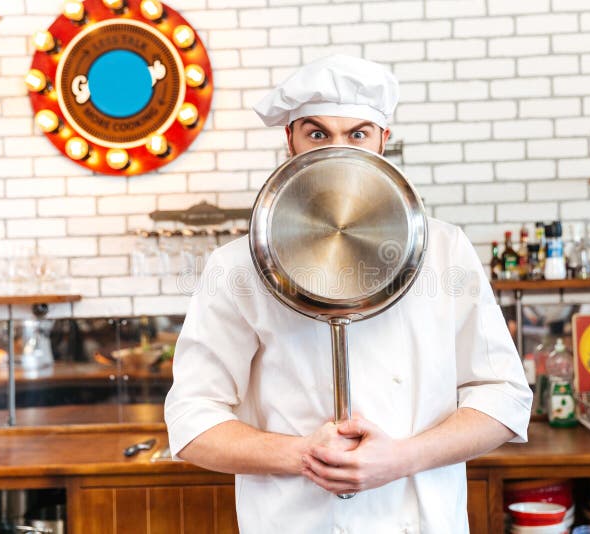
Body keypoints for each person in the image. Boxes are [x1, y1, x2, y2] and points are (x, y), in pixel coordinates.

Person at [165, 55, 532, 534]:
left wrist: (400, 459)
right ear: (289, 141)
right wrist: (301, 455)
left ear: (384, 141)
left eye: (358, 134)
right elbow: (192, 421)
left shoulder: (445, 250)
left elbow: (503, 396)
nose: (337, 153)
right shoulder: (237, 265)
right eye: (317, 134)